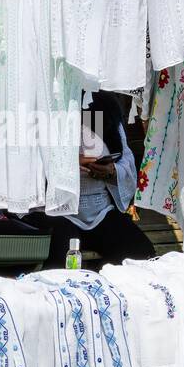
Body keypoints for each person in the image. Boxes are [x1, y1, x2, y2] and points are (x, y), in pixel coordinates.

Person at [29, 91, 156, 268]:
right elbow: (27, 162)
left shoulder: (105, 106)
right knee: (60, 264)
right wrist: (66, 164)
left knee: (141, 255)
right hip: (58, 213)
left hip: (100, 211)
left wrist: (111, 171)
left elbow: (125, 157)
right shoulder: (44, 105)